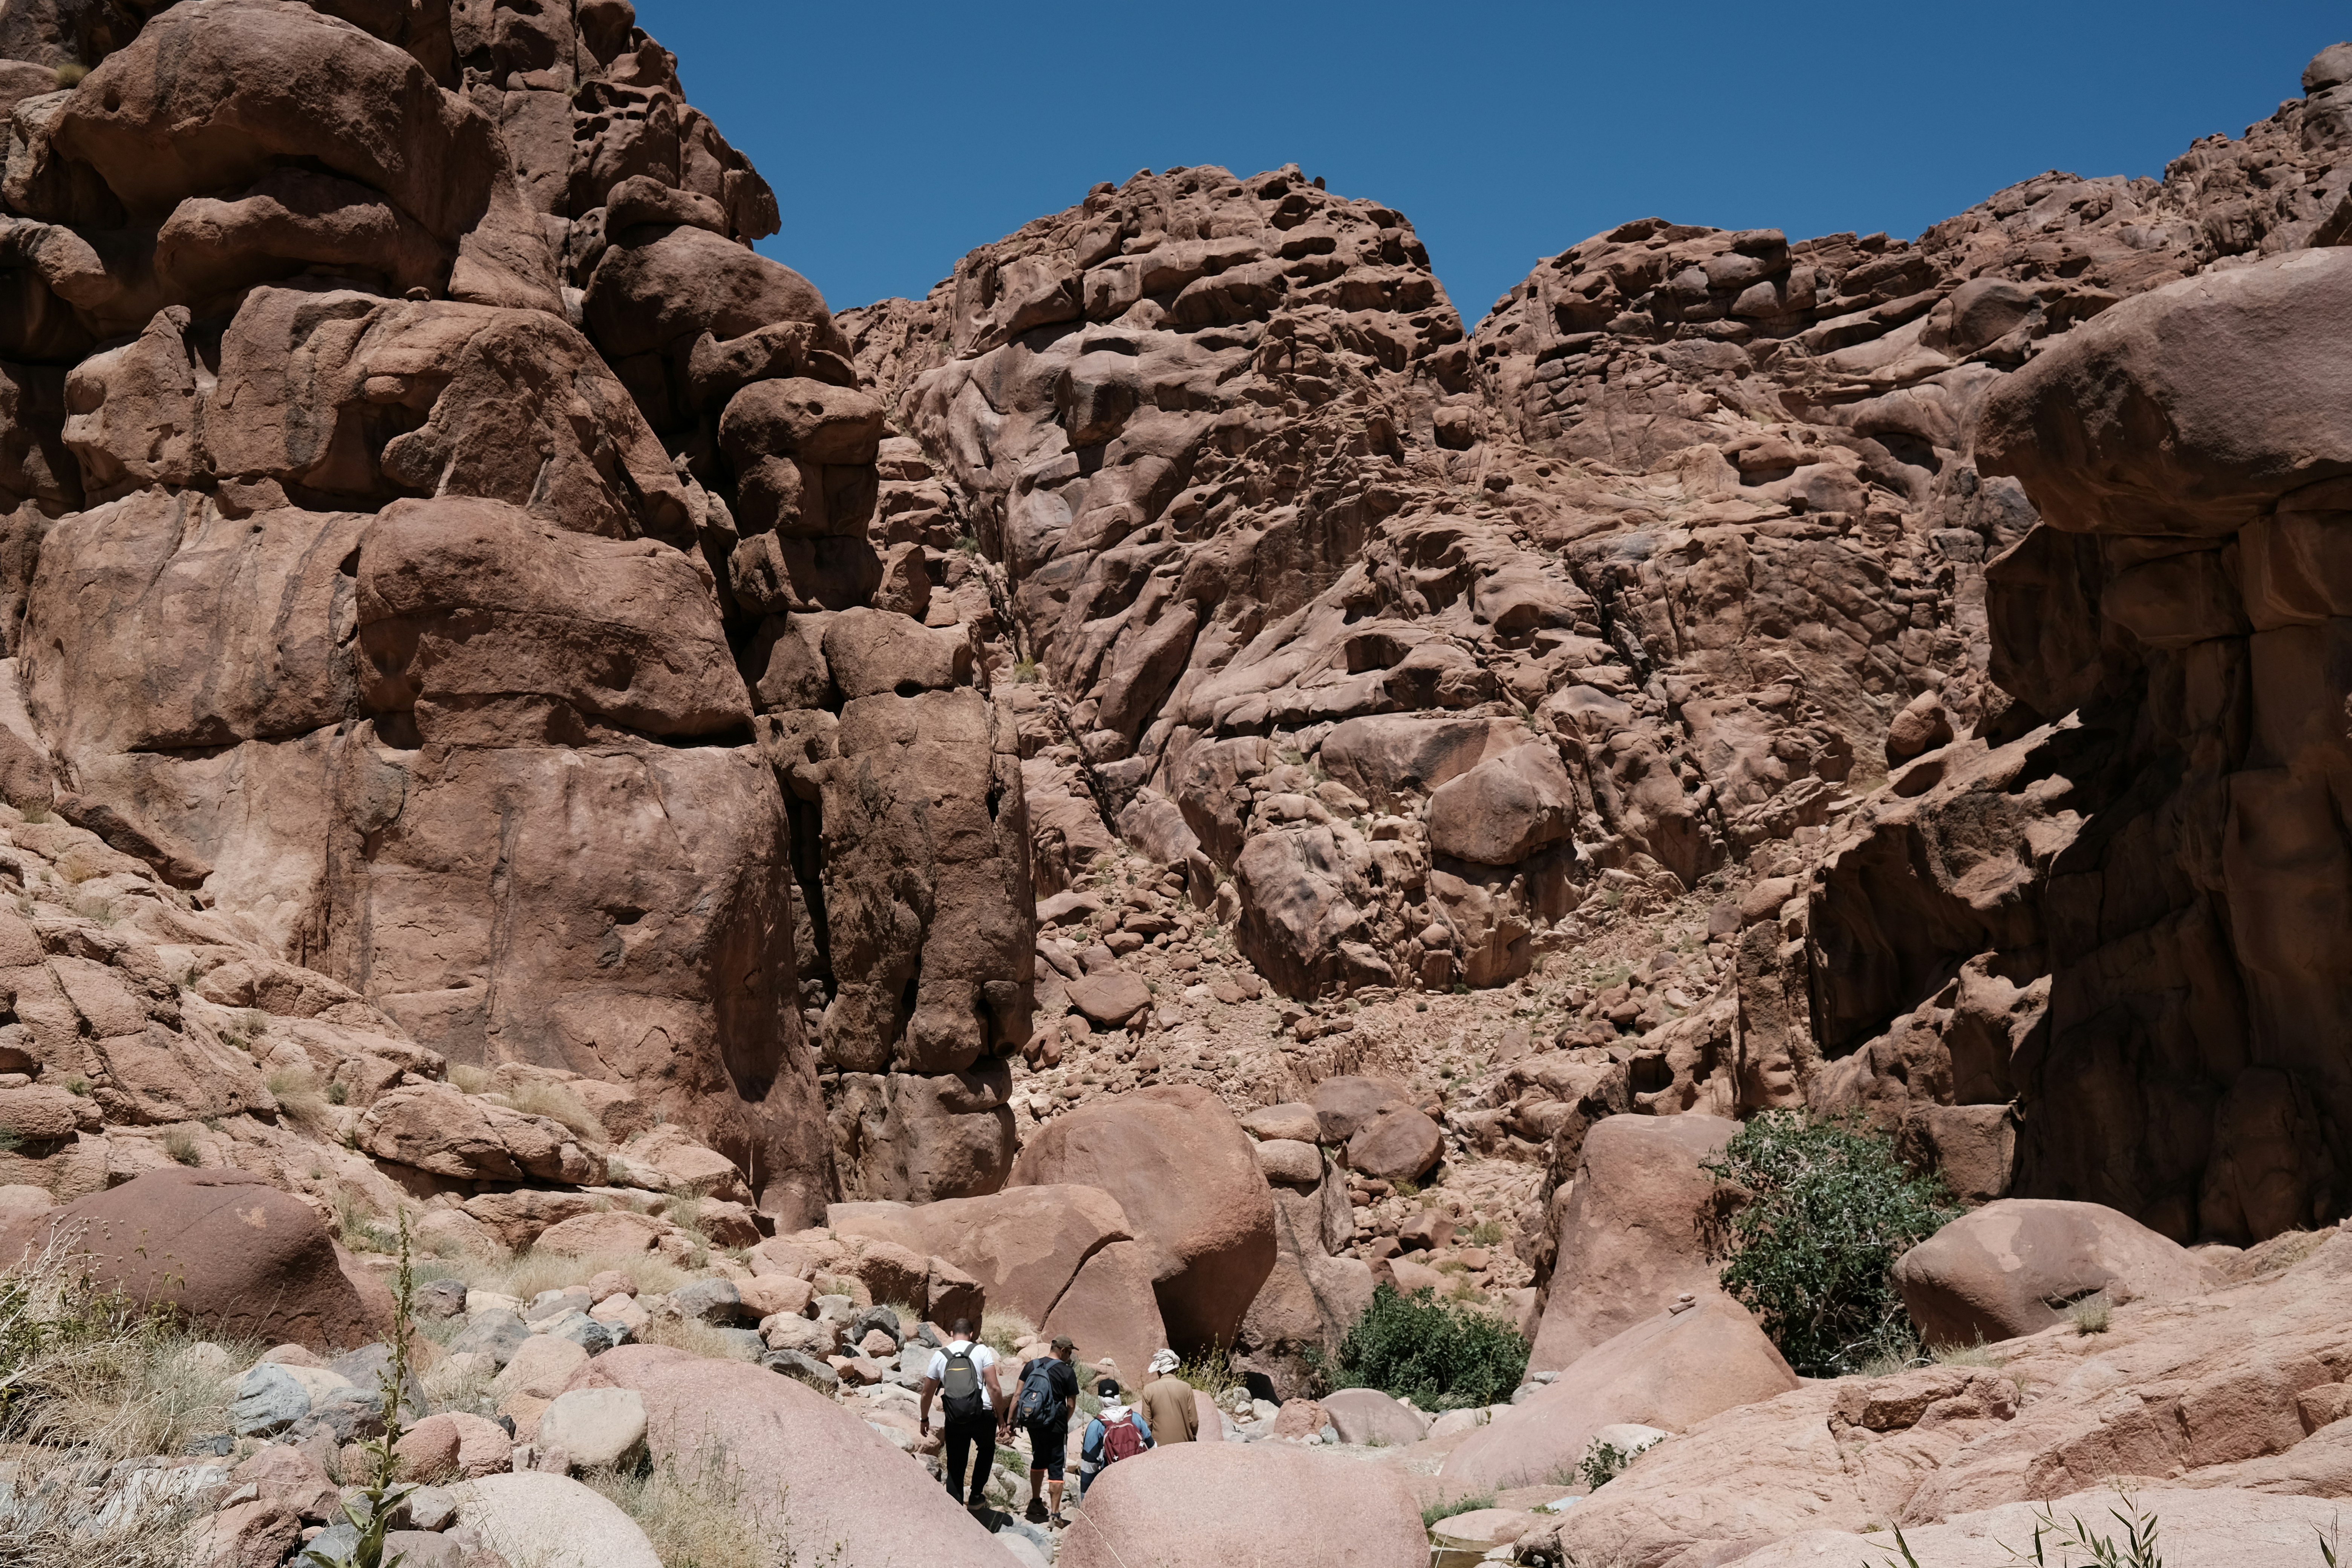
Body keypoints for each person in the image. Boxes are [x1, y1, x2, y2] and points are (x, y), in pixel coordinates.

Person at [918, 1317, 1004, 1513]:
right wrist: (1001, 1418)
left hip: (955, 1415)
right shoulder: (982, 1351)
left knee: (956, 1466)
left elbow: (927, 1393)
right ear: (972, 1334)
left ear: (951, 1333)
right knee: (986, 1449)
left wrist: (924, 1418)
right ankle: (976, 1496)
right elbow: (995, 1388)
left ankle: (955, 1515)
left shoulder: (941, 1355)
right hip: (983, 1414)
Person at [1005, 1335, 1081, 1524]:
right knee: (1056, 1465)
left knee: (1038, 1459)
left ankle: (1035, 1502)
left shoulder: (1032, 1365)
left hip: (1034, 1422)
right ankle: (1055, 1515)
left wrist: (1010, 1422)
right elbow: (1071, 1404)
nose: (1070, 1357)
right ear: (1063, 1350)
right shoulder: (1067, 1372)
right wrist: (1064, 1421)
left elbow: (1017, 1395)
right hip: (1056, 1425)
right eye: (1070, 1352)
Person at [1076, 1376, 1152, 1501]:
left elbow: (1089, 1467)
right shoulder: (1135, 1418)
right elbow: (1153, 1448)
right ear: (1119, 1396)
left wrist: (1085, 1498)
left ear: (1100, 1399)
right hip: (1140, 1481)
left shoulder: (1096, 1426)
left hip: (1112, 1485)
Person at [1137, 1349, 1200, 1444]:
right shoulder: (1186, 1388)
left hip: (1159, 1445)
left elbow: (1147, 1424)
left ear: (1158, 1369)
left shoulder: (1148, 1390)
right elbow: (1194, 1422)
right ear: (1175, 1369)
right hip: (1185, 1443)